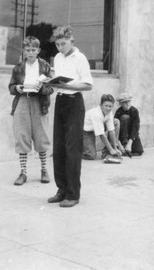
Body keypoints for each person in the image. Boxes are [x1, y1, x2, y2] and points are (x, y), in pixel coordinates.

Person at [47, 26, 93, 207]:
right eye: (57, 44)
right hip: (60, 101)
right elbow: (57, 81)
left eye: (63, 44)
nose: (60, 47)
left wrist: (68, 86)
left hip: (74, 102)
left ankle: (73, 194)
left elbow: (88, 85)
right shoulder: (57, 58)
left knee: (72, 149)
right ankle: (62, 190)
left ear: (71, 41)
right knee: (58, 148)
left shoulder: (80, 58)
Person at [8, 36, 53, 186]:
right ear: (24, 51)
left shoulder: (45, 66)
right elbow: (11, 87)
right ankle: (23, 172)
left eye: (34, 49)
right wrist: (17, 88)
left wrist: (41, 88)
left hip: (39, 102)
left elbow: (51, 87)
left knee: (41, 135)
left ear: (38, 50)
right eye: (28, 50)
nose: (31, 52)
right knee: (22, 135)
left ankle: (44, 169)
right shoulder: (18, 67)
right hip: (22, 100)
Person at [82, 94, 122, 161]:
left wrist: (115, 148)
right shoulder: (96, 114)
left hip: (96, 127)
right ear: (100, 105)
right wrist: (111, 149)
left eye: (110, 106)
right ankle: (76, 150)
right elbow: (101, 134)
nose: (108, 108)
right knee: (91, 156)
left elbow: (111, 130)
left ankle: (107, 152)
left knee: (116, 122)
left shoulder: (109, 112)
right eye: (106, 106)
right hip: (86, 131)